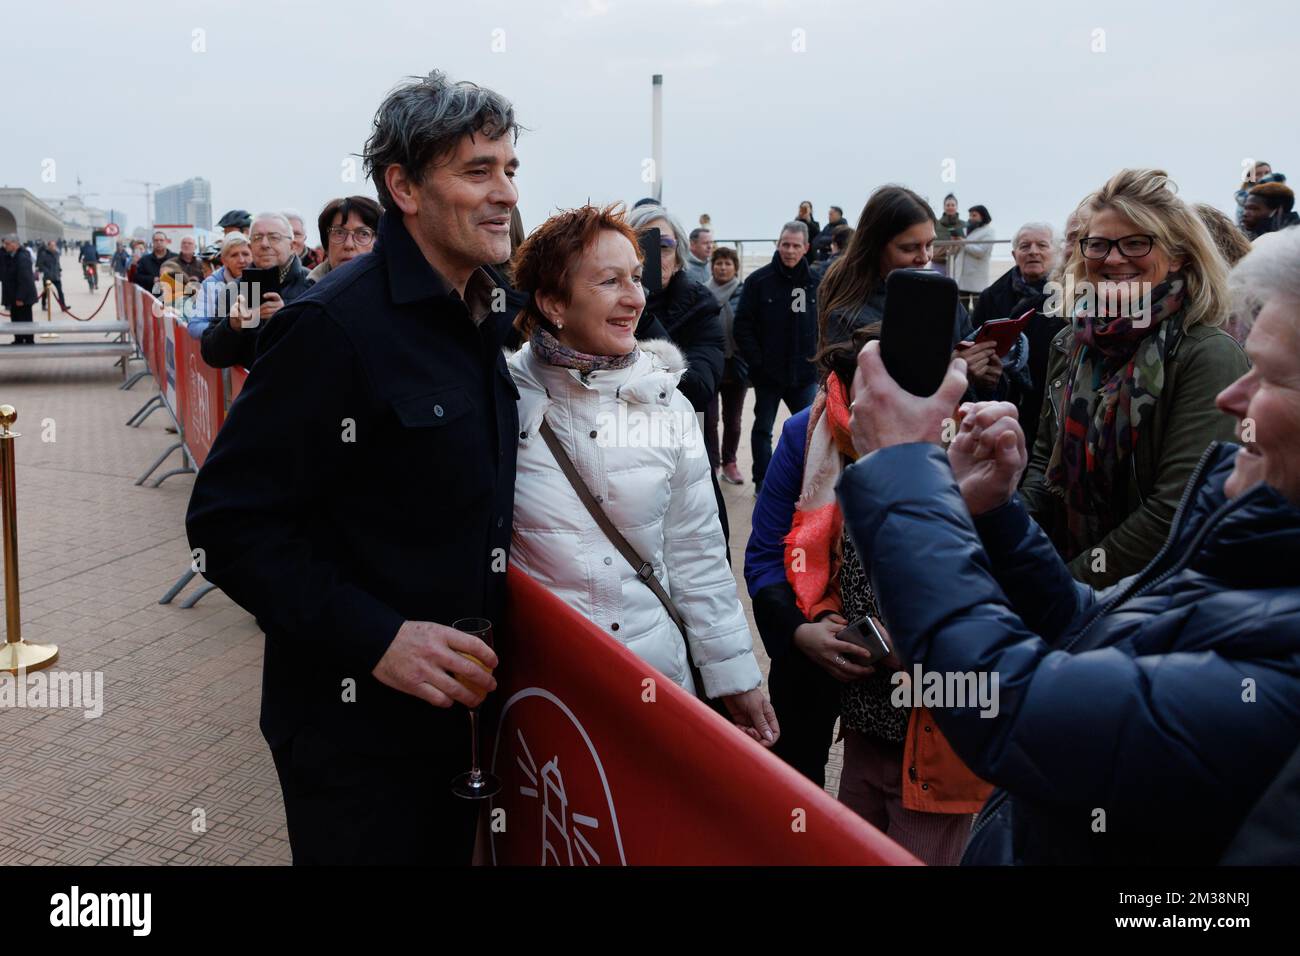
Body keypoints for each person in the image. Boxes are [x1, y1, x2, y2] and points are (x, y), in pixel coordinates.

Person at [832, 223, 1300, 866]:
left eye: (1270, 378)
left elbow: (1012, 704)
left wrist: (906, 470)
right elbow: (1098, 632)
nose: (1232, 397)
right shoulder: (1258, 551)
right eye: (1095, 245)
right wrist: (992, 516)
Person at [185, 70, 522, 865]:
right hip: (355, 737)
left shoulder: (485, 309)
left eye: (511, 169)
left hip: (460, 723)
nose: (505, 191)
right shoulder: (329, 327)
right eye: (478, 171)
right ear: (402, 186)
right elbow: (227, 526)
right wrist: (379, 639)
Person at [506, 203, 777, 741]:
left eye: (636, 276)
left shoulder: (664, 405)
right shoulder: (502, 397)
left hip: (655, 684)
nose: (635, 297)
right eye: (610, 281)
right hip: (545, 699)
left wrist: (734, 676)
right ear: (553, 302)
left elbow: (696, 553)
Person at [746, 324, 989, 863]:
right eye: (864, 390)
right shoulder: (806, 434)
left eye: (899, 392)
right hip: (837, 675)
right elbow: (765, 555)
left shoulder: (964, 454)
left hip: (930, 715)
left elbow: (989, 594)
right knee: (821, 813)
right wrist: (801, 632)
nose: (876, 408)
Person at [1019, 168, 1251, 588]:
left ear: (1178, 254)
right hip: (1064, 580)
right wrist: (1014, 545)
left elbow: (1176, 509)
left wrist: (1066, 590)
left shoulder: (1208, 355)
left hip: (1161, 600)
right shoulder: (1072, 343)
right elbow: (1042, 464)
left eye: (1136, 243)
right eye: (1099, 244)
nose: (1113, 258)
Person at [816, 186, 989, 394]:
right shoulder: (845, 314)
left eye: (930, 245)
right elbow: (871, 399)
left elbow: (973, 385)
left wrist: (986, 373)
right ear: (875, 246)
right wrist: (952, 369)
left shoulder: (944, 297)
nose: (925, 257)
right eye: (909, 248)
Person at [733, 220, 820, 492]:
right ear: (777, 244)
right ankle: (763, 482)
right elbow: (742, 325)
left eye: (795, 245)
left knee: (812, 433)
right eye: (785, 244)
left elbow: (829, 323)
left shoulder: (818, 283)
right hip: (768, 375)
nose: (790, 251)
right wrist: (758, 363)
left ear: (805, 247)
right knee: (763, 430)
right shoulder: (758, 281)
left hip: (806, 374)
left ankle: (807, 485)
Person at [625, 204, 725, 416]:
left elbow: (700, 389)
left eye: (664, 246)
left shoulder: (701, 306)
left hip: (677, 429)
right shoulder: (603, 303)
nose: (650, 256)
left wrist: (641, 317)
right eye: (639, 245)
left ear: (679, 257)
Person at [970, 222, 1061, 452]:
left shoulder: (1068, 294)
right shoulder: (990, 296)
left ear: (1056, 252)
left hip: (1050, 400)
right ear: (1014, 254)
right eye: (1025, 246)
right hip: (1002, 400)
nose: (1033, 251)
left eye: (1042, 245)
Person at [199, 212, 312, 370]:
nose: (265, 244)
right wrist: (232, 326)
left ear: (292, 246)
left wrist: (286, 318)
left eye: (274, 237)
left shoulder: (313, 284)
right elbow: (212, 356)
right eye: (257, 238)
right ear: (251, 247)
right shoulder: (234, 289)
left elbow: (324, 349)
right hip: (252, 392)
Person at [705, 246, 748, 486]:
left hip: (736, 364)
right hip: (710, 363)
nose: (722, 267)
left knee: (733, 419)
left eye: (727, 263)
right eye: (719, 263)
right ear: (712, 267)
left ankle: (730, 463)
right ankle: (712, 463)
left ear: (735, 267)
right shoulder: (702, 292)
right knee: (709, 419)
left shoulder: (744, 291)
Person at [187, 233, 253, 341]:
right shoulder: (211, 284)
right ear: (224, 261)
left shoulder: (263, 276)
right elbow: (194, 327)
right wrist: (228, 327)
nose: (241, 260)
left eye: (245, 254)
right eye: (234, 255)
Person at [307, 195, 382, 283]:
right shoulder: (303, 292)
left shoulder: (397, 290)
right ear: (326, 246)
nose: (349, 244)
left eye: (363, 234)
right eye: (339, 233)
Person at [1, 235, 38, 344]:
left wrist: (20, 297)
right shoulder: (11, 256)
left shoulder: (22, 257)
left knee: (25, 319)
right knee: (16, 318)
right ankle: (19, 339)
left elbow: (25, 279)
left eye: (7, 244)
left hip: (22, 297)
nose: (5, 246)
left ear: (14, 244)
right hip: (14, 295)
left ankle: (29, 340)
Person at [956, 204, 995, 308]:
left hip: (977, 278)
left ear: (983, 216)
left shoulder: (989, 231)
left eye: (974, 215)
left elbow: (981, 252)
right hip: (963, 277)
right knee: (962, 309)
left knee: (978, 309)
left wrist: (964, 243)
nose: (971, 218)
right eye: (970, 215)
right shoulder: (969, 229)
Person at [1233, 160, 1282, 227]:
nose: (1263, 176)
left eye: (1267, 173)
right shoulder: (1242, 194)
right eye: (1258, 174)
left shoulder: (1277, 193)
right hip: (1249, 233)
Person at [931, 194, 965, 278]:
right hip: (938, 263)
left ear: (956, 207)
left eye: (953, 205)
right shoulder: (936, 224)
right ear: (944, 207)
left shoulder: (963, 224)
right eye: (948, 205)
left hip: (957, 264)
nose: (950, 207)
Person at [36, 239, 67, 312]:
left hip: (56, 276)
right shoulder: (44, 254)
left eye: (54, 245)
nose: (54, 247)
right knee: (45, 292)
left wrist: (59, 270)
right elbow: (41, 265)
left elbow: (57, 263)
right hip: (47, 277)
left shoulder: (56, 253)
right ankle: (43, 305)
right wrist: (46, 271)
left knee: (60, 291)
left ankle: (63, 306)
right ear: (48, 246)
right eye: (52, 245)